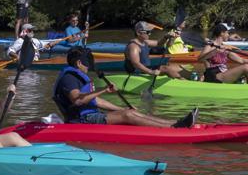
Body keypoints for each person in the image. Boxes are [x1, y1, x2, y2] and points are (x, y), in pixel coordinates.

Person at [53, 47, 196, 128]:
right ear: (79, 63)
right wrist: (104, 90)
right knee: (127, 116)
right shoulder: (69, 78)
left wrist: (121, 108)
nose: (88, 67)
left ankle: (176, 123)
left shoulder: (75, 76)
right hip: (80, 121)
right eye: (87, 64)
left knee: (129, 112)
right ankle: (173, 128)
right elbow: (78, 100)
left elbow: (96, 101)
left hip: (90, 116)